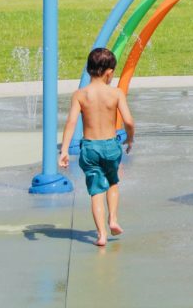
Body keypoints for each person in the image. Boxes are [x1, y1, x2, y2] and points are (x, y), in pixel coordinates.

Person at [58, 47, 135, 247]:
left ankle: (101, 235)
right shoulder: (116, 93)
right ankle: (113, 220)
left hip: (90, 148)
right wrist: (130, 138)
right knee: (112, 183)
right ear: (109, 72)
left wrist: (64, 150)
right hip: (110, 146)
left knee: (96, 192)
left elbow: (71, 123)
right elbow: (129, 121)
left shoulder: (80, 95)